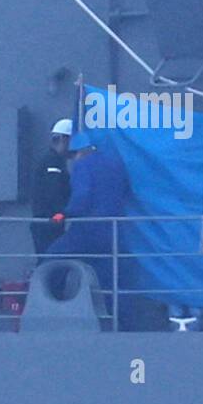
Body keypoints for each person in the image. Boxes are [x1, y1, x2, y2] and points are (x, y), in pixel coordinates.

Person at [45, 130, 130, 314]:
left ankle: (51, 304)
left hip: (87, 230)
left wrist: (63, 215)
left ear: (79, 151)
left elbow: (81, 199)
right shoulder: (116, 165)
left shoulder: (83, 166)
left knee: (51, 259)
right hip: (114, 232)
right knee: (111, 281)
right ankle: (120, 323)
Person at [30, 118, 74, 256]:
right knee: (50, 262)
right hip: (47, 223)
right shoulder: (52, 162)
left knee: (52, 262)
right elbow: (52, 192)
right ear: (63, 139)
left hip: (51, 222)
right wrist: (63, 212)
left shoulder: (55, 161)